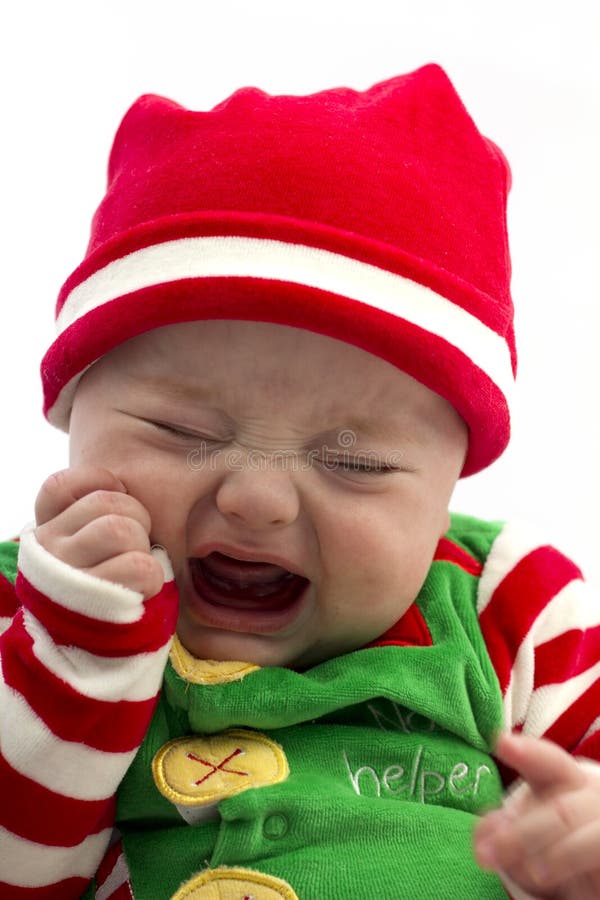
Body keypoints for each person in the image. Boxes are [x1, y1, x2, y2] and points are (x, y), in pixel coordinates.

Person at [0, 64, 598, 900]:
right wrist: (75, 652)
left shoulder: (512, 609)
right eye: (183, 431)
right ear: (72, 415)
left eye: (353, 462)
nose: (257, 498)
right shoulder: (27, 614)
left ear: (447, 487)